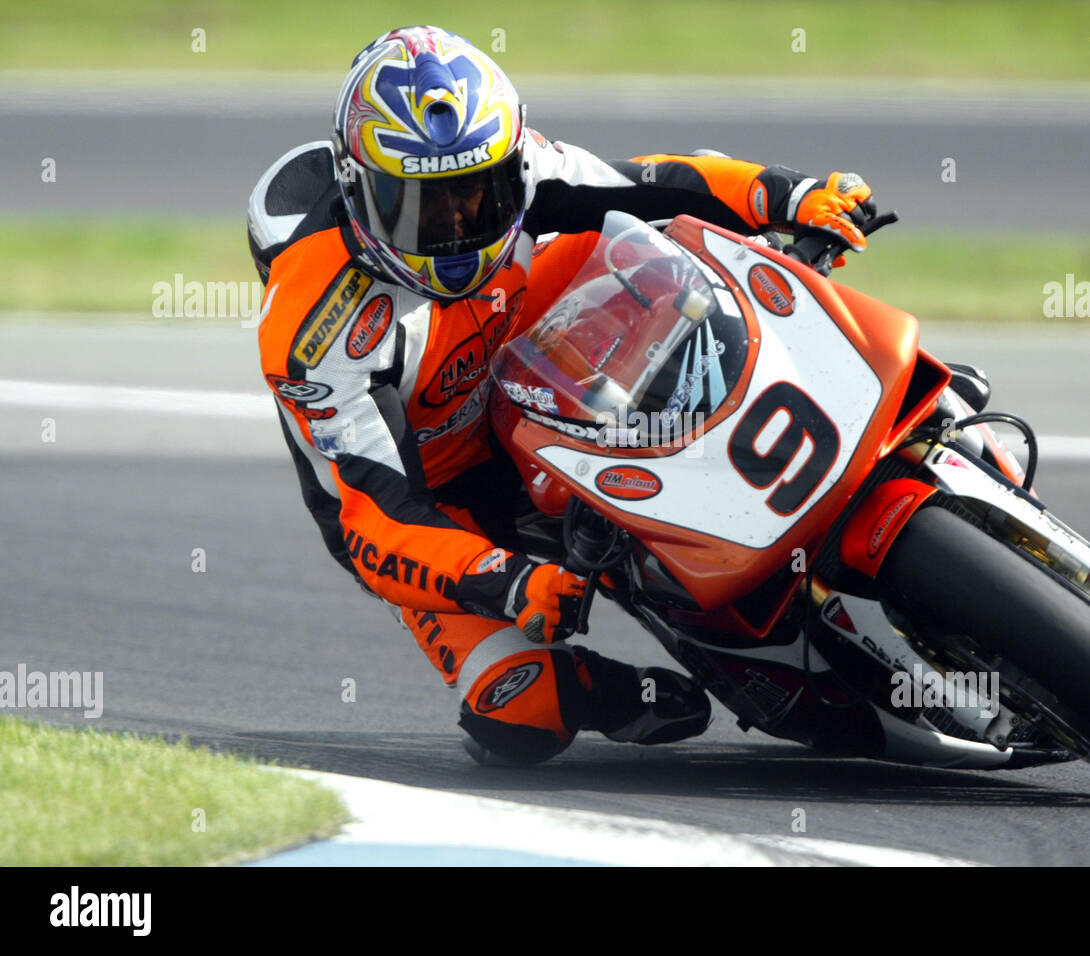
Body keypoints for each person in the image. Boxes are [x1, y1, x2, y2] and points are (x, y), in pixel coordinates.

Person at [247, 25, 876, 765]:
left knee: (683, 234)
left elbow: (650, 180)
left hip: (538, 376)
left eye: (474, 197)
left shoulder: (529, 169)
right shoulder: (316, 328)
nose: (453, 230)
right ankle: (604, 683)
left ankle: (872, 408)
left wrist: (786, 192)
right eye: (420, 206)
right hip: (443, 499)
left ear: (508, 168)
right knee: (518, 714)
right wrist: (507, 581)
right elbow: (370, 522)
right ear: (360, 192)